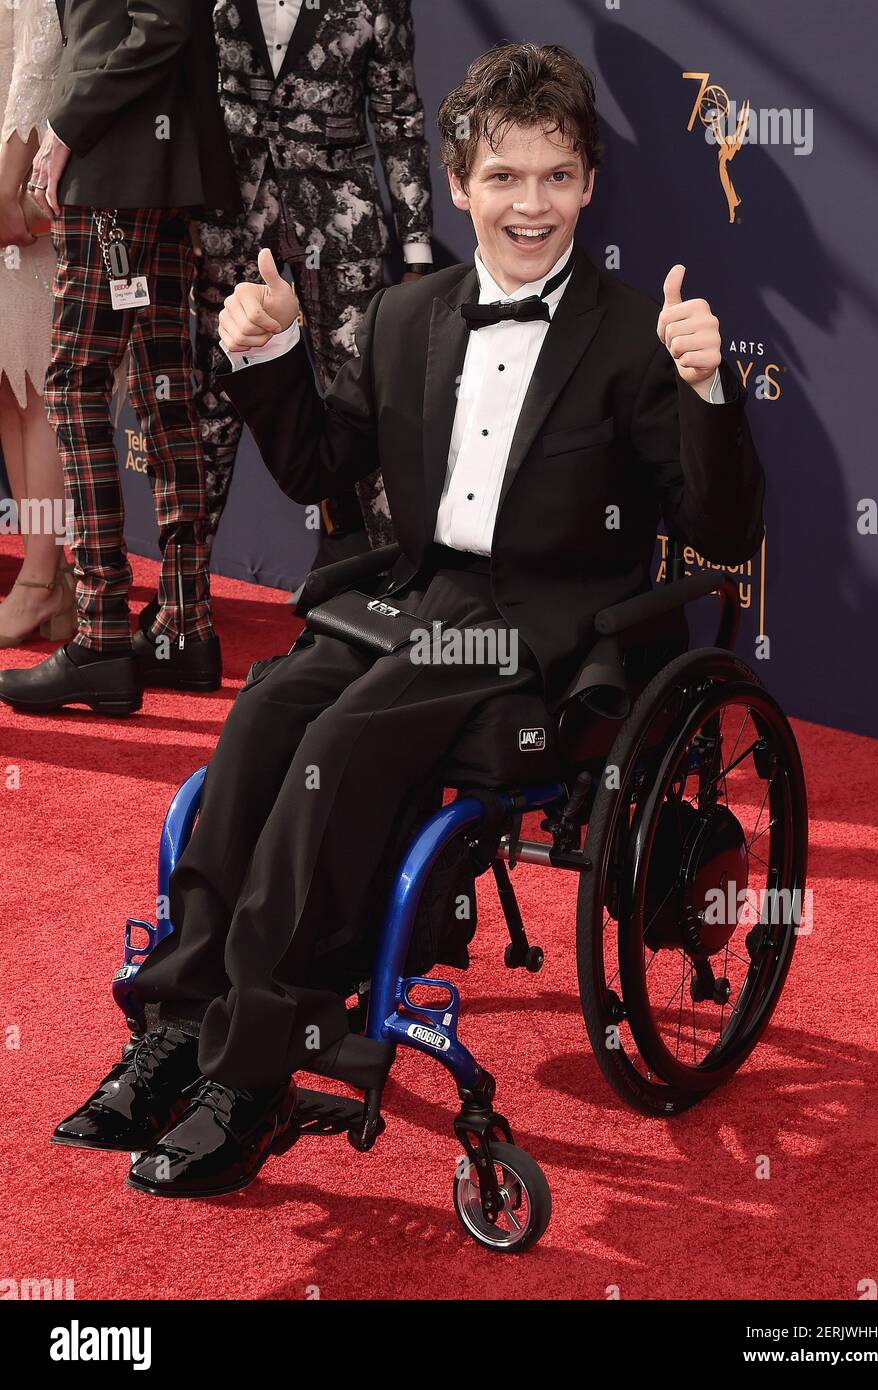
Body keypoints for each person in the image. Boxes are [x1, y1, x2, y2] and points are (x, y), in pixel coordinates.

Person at [51, 44, 764, 1199]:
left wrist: (706, 392)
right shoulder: (404, 315)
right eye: (503, 179)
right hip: (416, 599)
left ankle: (255, 1068)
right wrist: (272, 353)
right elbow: (325, 466)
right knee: (265, 716)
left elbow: (722, 532)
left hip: (547, 628)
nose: (529, 205)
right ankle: (180, 1019)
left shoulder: (638, 333)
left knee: (339, 748)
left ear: (588, 185)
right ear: (456, 180)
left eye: (554, 177)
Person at [0, 0, 241, 715]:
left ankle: (103, 634)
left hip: (114, 163)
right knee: (164, 392)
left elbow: (162, 21)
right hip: (149, 166)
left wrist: (67, 127)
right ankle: (184, 626)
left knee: (74, 385)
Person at [191, 0, 433, 571]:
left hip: (341, 221)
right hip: (229, 217)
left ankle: (398, 591)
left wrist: (416, 246)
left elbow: (397, 115)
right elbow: (184, 97)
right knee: (209, 409)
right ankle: (185, 603)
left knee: (364, 400)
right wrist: (183, 210)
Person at [0, 0, 75, 648]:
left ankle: (42, 575)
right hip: (7, 162)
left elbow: (44, 52)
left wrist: (7, 182)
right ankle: (48, 579)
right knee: (10, 383)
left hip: (31, 171)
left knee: (37, 385)